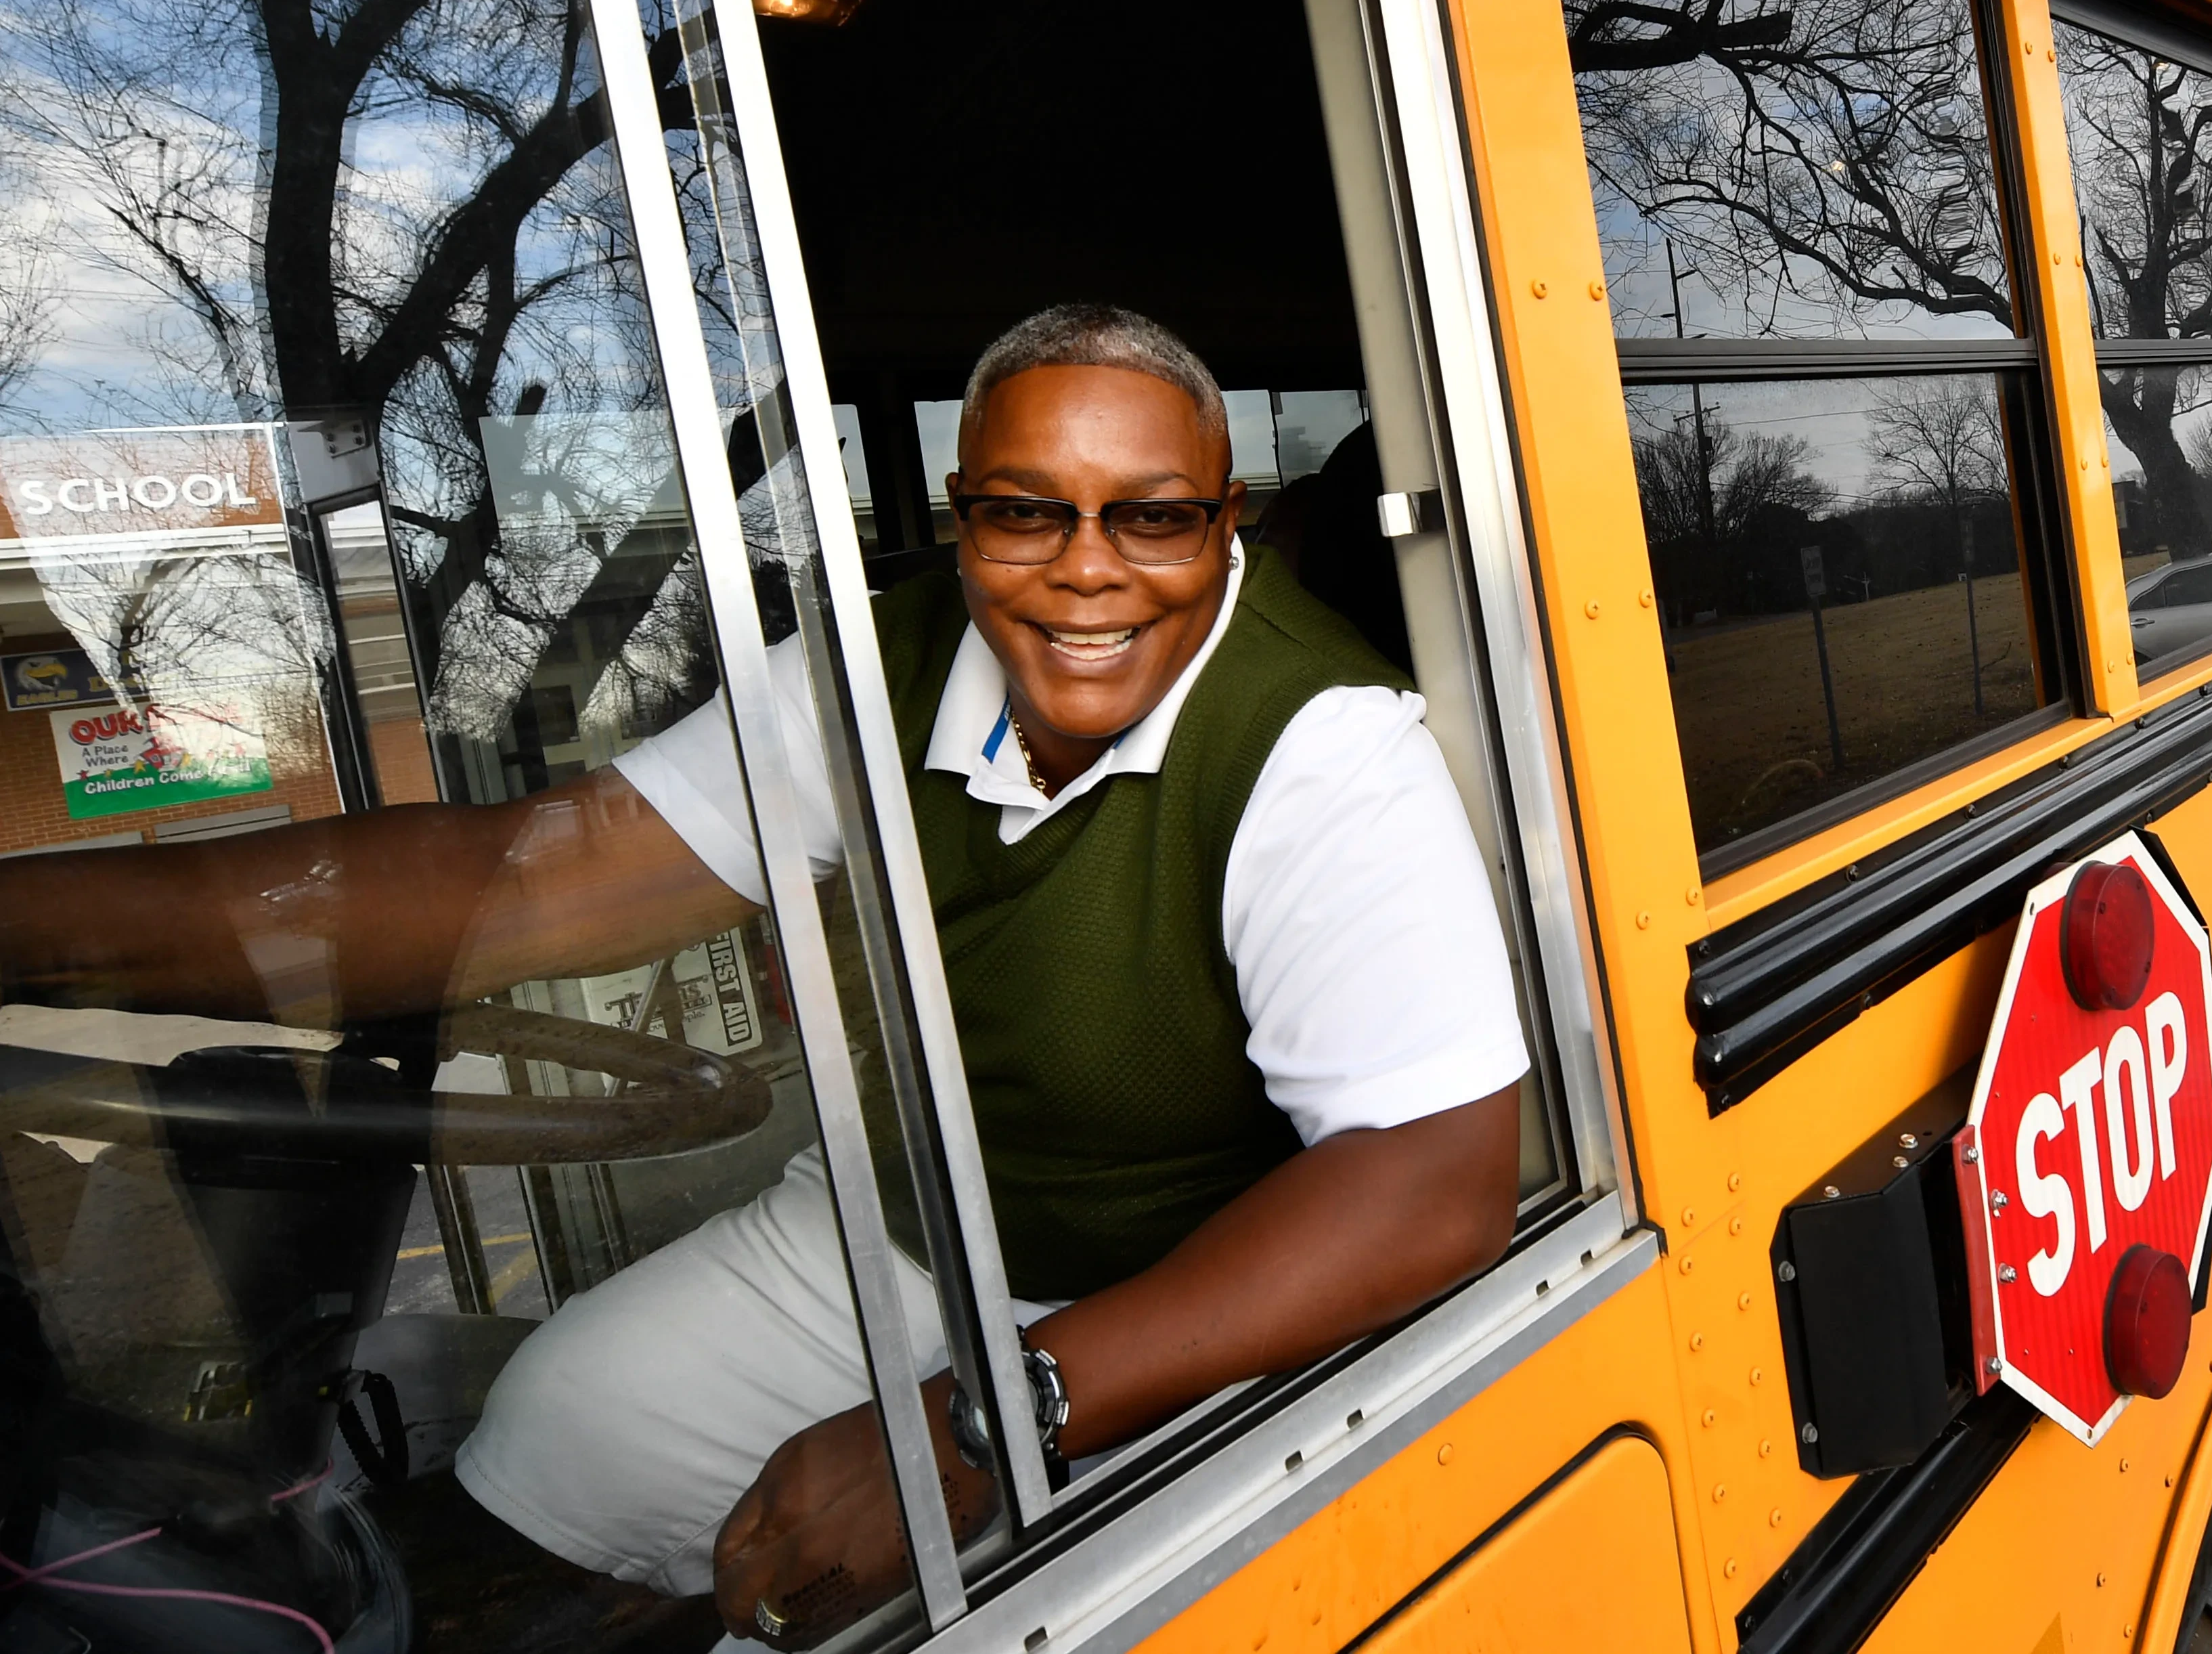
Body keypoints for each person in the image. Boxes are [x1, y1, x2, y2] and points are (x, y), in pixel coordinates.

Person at [0, 305, 1530, 1651]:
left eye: (1150, 520)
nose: (1085, 575)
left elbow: (1433, 1186)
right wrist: (36, 923)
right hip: (914, 1234)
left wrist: (986, 1422)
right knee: (562, 1421)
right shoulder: (876, 672)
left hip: (1177, 1295)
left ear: (1227, 521)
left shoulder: (1326, 747)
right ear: (958, 514)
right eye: (1024, 514)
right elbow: (534, 873)